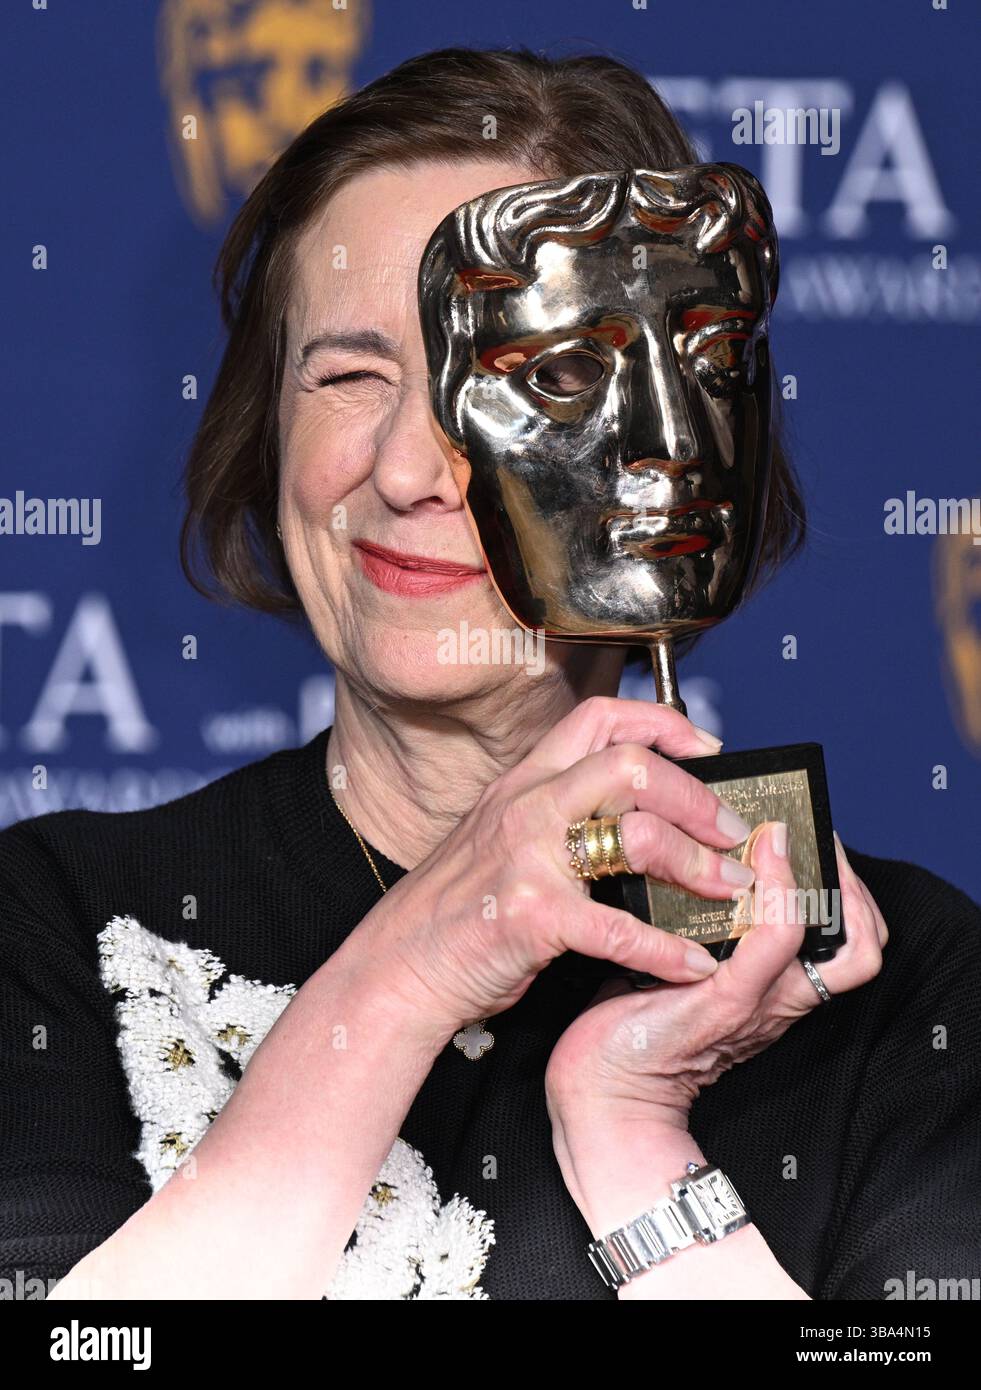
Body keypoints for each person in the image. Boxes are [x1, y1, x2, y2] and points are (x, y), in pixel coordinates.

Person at [2, 47, 980, 1302]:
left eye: (539, 377)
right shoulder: (55, 928)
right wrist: (421, 962)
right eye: (351, 376)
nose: (411, 470)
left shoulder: (891, 986)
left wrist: (632, 1138)